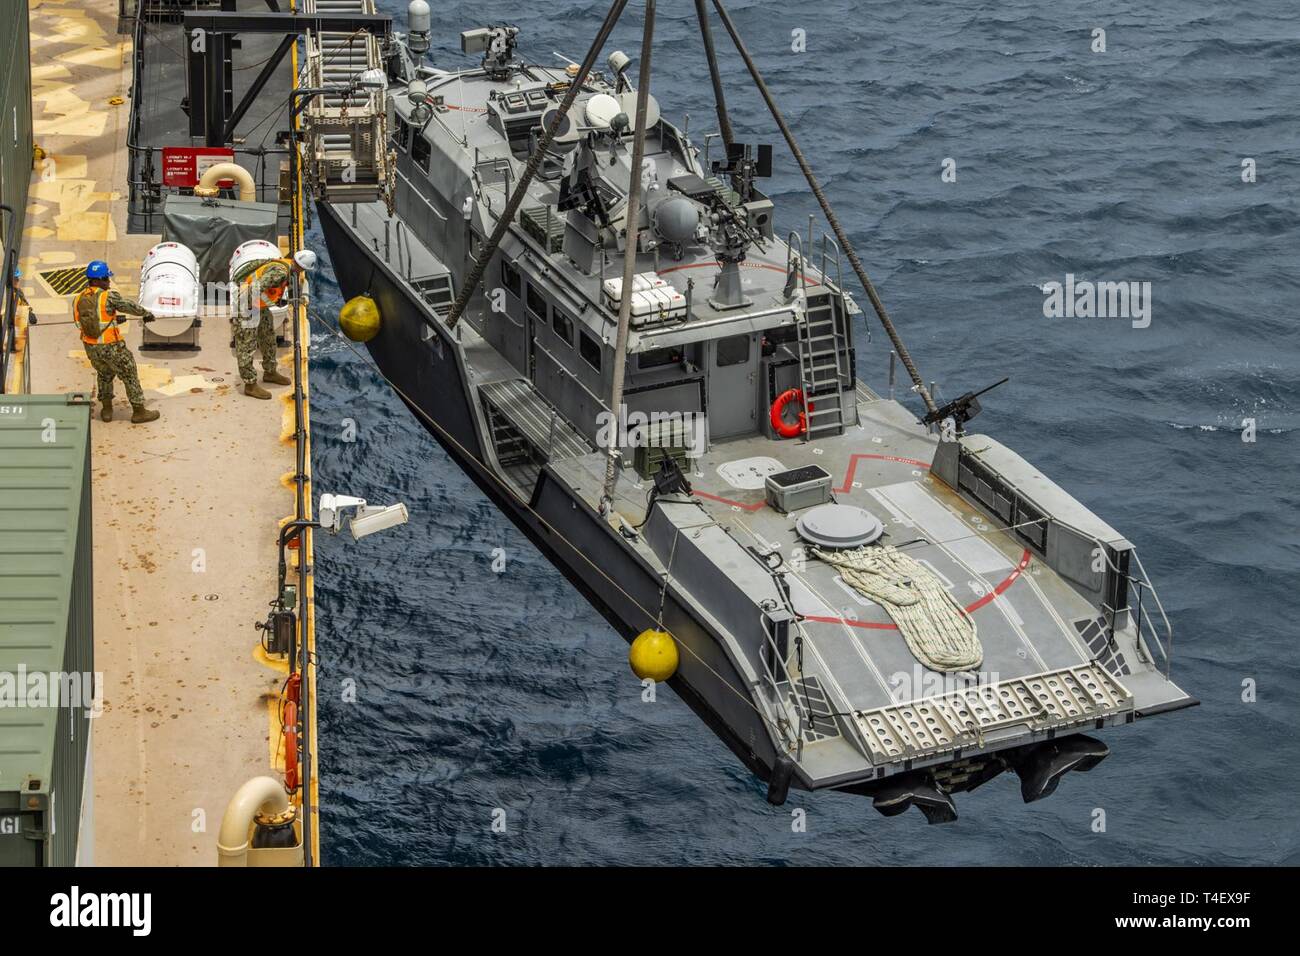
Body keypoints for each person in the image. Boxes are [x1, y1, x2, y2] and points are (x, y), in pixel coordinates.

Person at [75, 260, 160, 424]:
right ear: (98, 280)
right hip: (111, 347)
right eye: (106, 279)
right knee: (129, 374)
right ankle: (139, 411)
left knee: (104, 375)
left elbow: (82, 323)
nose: (108, 282)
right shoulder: (108, 296)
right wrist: (146, 313)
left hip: (91, 349)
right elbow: (128, 306)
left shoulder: (78, 299)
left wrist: (112, 319)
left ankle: (106, 410)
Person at [234, 249, 316, 399]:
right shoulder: (280, 272)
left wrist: (277, 301)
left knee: (268, 338)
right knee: (247, 345)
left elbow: (269, 290)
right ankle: (250, 384)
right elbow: (255, 289)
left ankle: (270, 372)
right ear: (302, 268)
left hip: (260, 307)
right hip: (248, 307)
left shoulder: (286, 267)